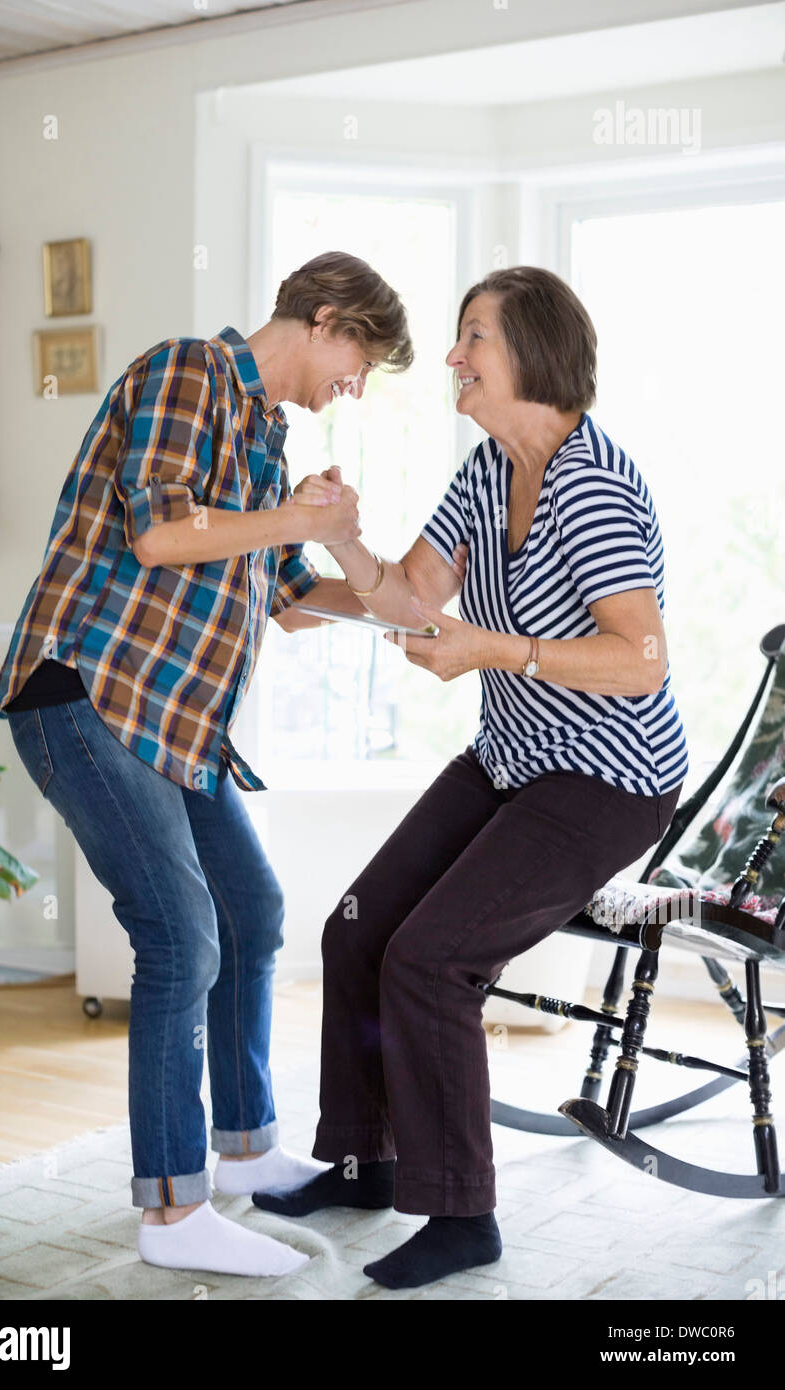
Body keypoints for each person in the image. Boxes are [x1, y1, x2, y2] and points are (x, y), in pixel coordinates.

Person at [251, 265, 689, 1291]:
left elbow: (640, 661)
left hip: (605, 778)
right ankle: (365, 1163)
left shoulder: (593, 484)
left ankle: (460, 1215)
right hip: (510, 757)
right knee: (357, 928)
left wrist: (486, 650)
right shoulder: (489, 469)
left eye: (472, 337)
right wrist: (334, 542)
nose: (452, 356)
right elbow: (410, 598)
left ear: (531, 353)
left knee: (431, 958)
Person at [0, 251, 415, 1278]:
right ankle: (172, 1214)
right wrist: (300, 518)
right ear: (321, 320)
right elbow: (162, 533)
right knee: (182, 934)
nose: (353, 384)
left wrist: (403, 601)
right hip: (82, 689)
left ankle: (244, 1151)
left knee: (250, 911)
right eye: (358, 358)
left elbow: (288, 591)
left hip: (173, 723)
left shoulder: (264, 441)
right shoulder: (184, 372)